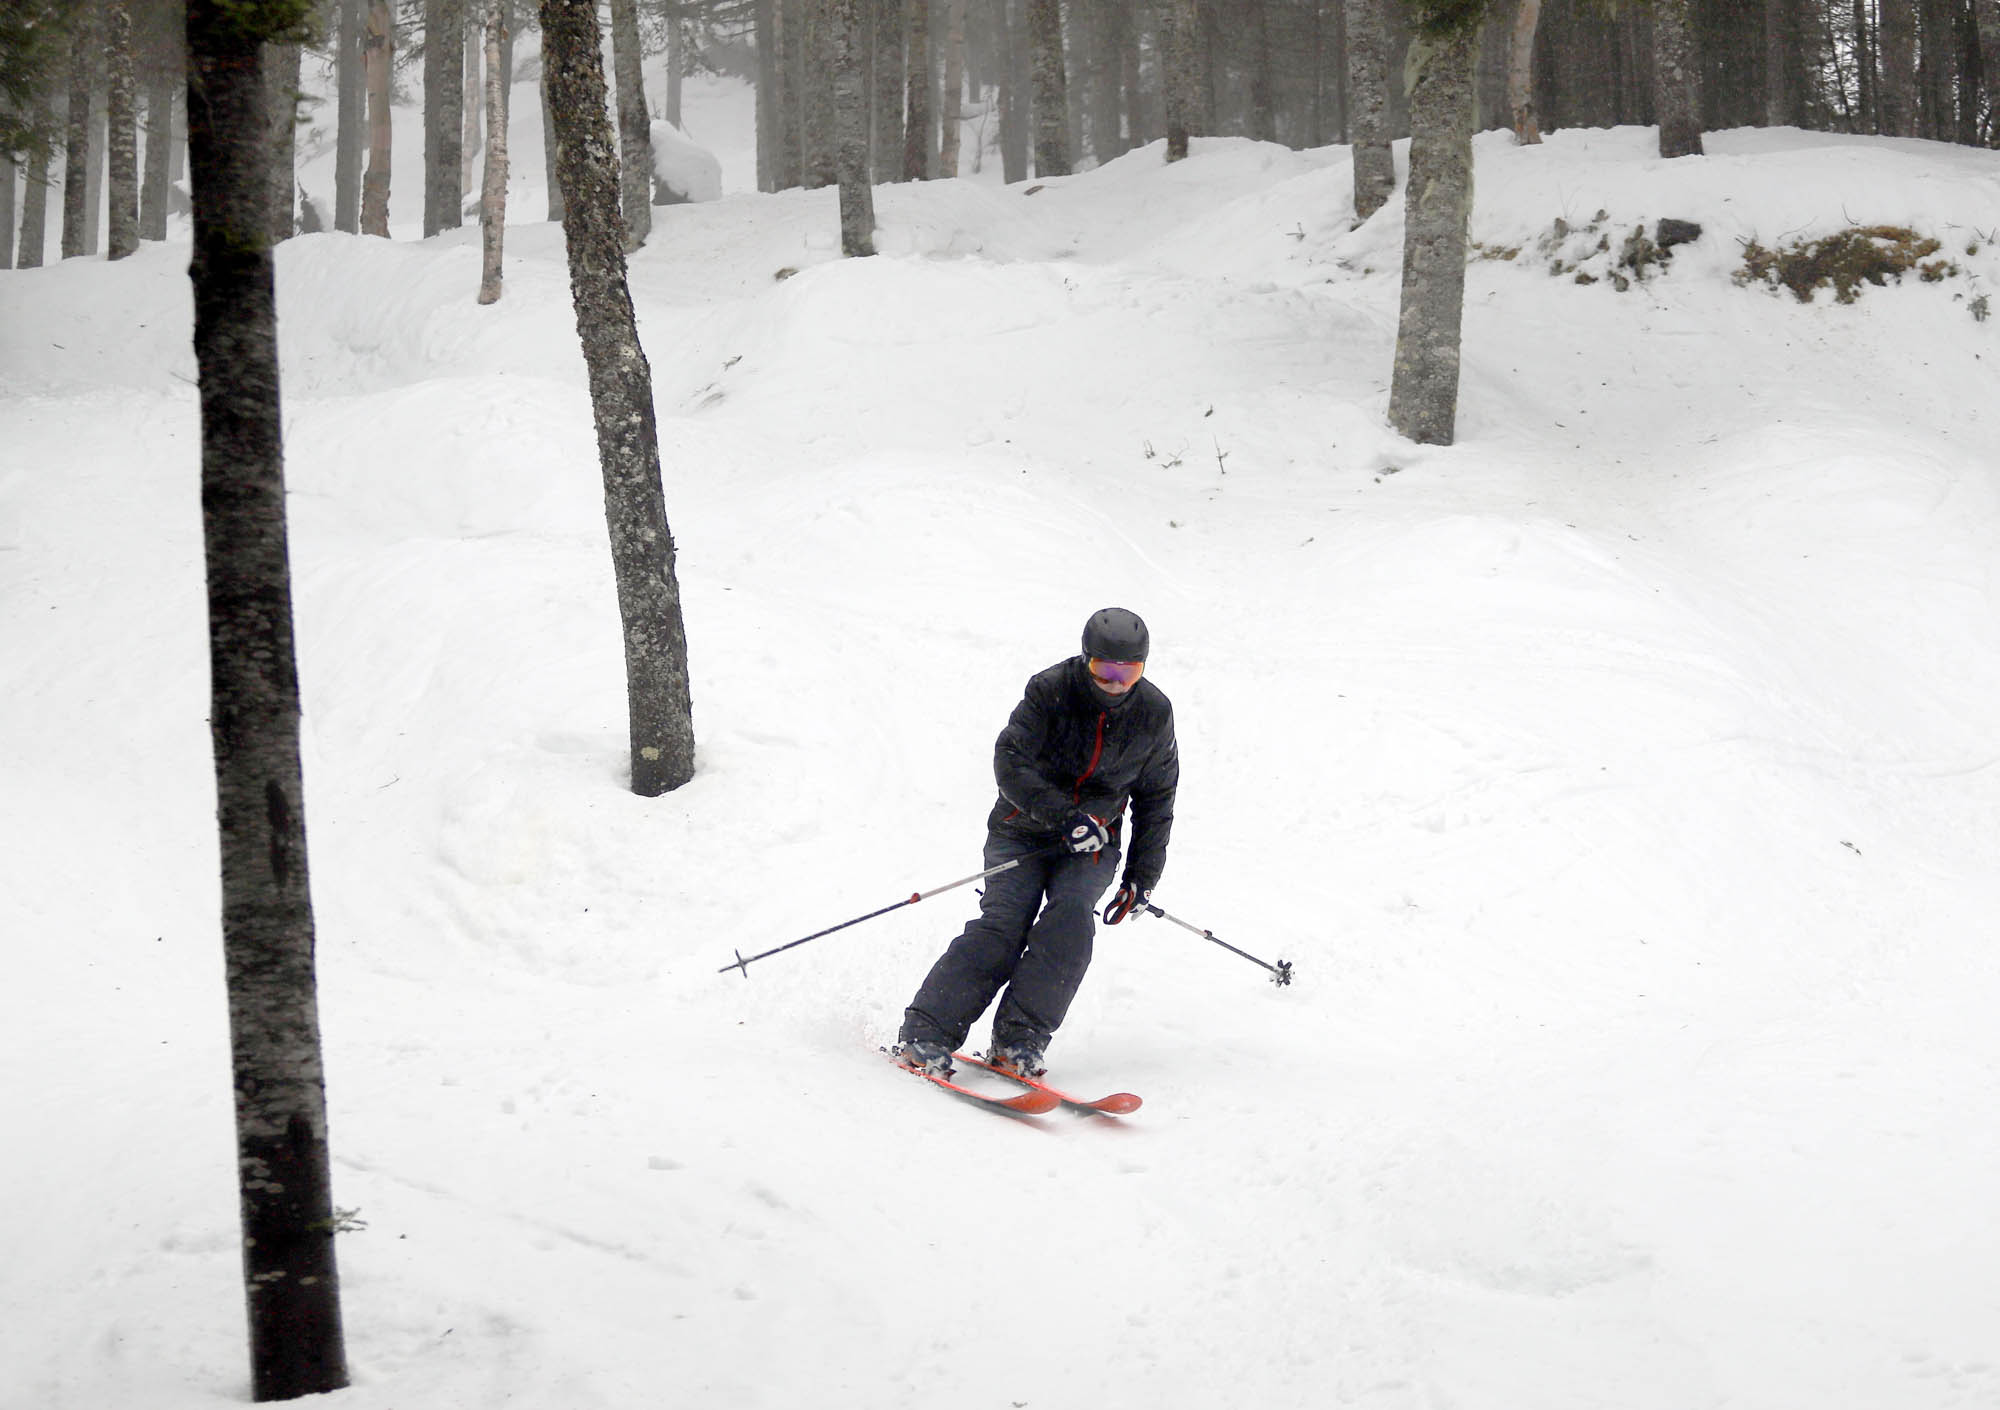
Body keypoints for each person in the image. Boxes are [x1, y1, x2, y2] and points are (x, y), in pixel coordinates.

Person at [895, 607, 1179, 1079]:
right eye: (1103, 670)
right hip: (1021, 829)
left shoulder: (1154, 713)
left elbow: (1157, 799)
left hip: (1093, 843)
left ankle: (1019, 1040)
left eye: (1128, 671)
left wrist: (1140, 877)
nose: (1114, 682)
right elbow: (1009, 760)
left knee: (1070, 921)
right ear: (1085, 660)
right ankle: (926, 1032)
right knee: (1004, 924)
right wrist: (1061, 815)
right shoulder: (1050, 690)